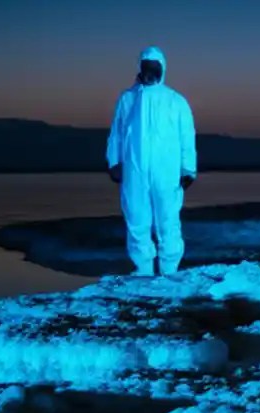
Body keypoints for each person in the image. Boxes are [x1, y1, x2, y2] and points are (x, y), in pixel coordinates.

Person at [106, 46, 197, 276]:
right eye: (146, 66)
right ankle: (143, 270)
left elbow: (187, 136)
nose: (150, 71)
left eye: (155, 67)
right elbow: (116, 132)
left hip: (166, 171)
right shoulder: (127, 99)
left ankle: (170, 272)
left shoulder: (175, 101)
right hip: (134, 170)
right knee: (137, 219)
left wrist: (188, 168)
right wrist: (114, 161)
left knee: (168, 220)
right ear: (140, 68)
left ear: (162, 69)